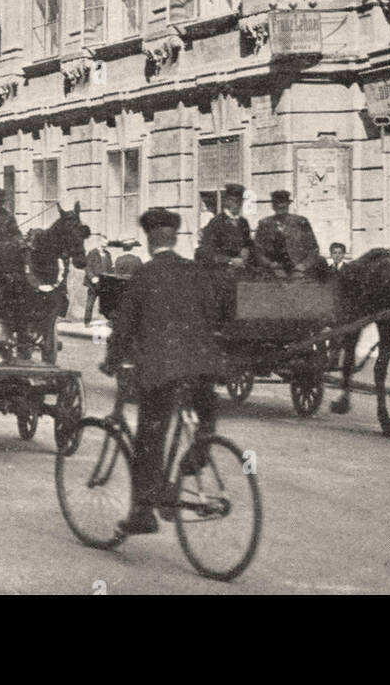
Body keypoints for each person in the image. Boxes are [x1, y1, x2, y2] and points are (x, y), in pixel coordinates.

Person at [103, 208, 221, 537]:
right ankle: (199, 450)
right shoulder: (195, 271)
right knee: (203, 415)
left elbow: (124, 326)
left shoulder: (145, 274)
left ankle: (143, 513)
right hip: (202, 366)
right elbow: (212, 314)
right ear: (174, 238)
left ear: (150, 240)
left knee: (149, 438)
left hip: (164, 371)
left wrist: (112, 360)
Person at [254, 190, 326, 277]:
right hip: (273, 270)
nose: (281, 207)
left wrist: (303, 266)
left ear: (288, 204)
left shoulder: (301, 222)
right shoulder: (265, 224)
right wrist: (271, 265)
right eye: (278, 205)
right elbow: (257, 251)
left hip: (299, 269)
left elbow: (313, 249)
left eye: (284, 204)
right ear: (273, 206)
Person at [196, 184, 253, 268]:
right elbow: (206, 253)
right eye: (232, 200)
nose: (236, 204)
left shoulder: (243, 223)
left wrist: (247, 250)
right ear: (226, 201)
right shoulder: (216, 222)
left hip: (242, 270)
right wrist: (230, 260)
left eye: (239, 201)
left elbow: (249, 244)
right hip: (222, 271)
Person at [84, 234, 113, 325]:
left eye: (106, 243)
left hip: (104, 283)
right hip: (93, 283)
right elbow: (87, 267)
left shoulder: (108, 254)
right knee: (90, 303)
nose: (105, 245)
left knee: (107, 302)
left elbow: (110, 268)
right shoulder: (92, 253)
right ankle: (87, 321)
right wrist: (92, 277)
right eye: (103, 243)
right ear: (99, 242)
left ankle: (110, 321)